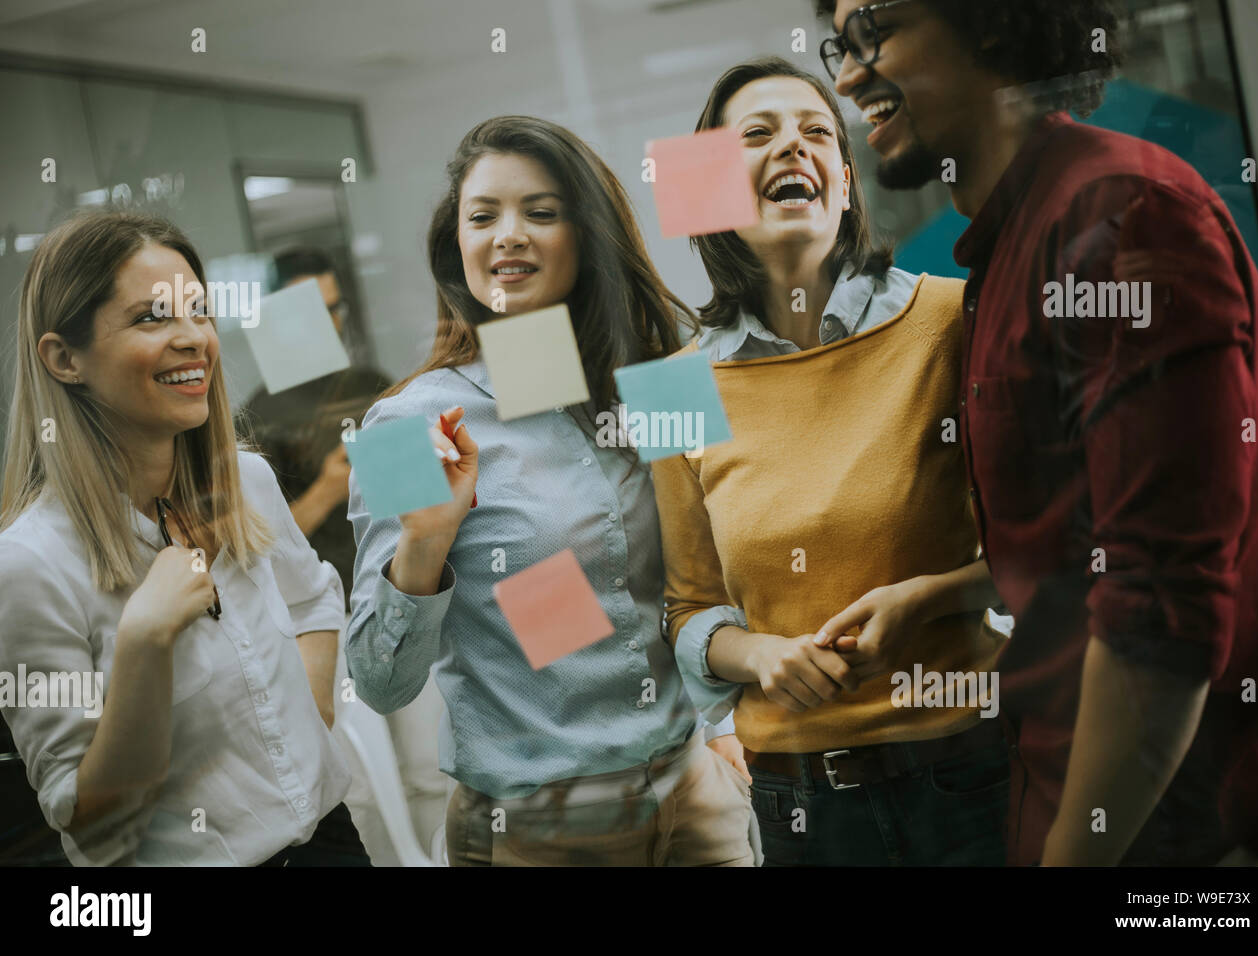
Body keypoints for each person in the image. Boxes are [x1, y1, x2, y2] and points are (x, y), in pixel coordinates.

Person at [818, 0, 1258, 863]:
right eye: (840, 47)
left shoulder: (1117, 215)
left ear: (991, 22)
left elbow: (1159, 618)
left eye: (875, 34)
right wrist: (938, 595)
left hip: (1178, 837)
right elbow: (1082, 543)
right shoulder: (1006, 244)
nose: (851, 75)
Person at [345, 116, 754, 867]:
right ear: (456, 246)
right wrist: (426, 540)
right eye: (483, 216)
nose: (508, 235)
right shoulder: (403, 425)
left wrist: (720, 725)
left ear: (588, 235)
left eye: (540, 211)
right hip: (537, 830)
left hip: (695, 793)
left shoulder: (663, 382)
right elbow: (380, 682)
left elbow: (715, 579)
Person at [652, 56, 1009, 867]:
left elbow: (1043, 552)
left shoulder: (955, 318)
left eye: (817, 132)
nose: (792, 147)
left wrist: (929, 599)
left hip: (971, 771)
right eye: (757, 135)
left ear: (844, 187)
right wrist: (760, 656)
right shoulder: (668, 388)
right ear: (708, 188)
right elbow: (686, 610)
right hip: (800, 805)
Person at [0, 211, 367, 865]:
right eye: (153, 318)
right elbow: (88, 820)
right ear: (64, 358)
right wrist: (144, 642)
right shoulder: (30, 566)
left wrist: (308, 731)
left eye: (199, 312)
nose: (194, 338)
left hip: (330, 843)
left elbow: (313, 601)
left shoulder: (247, 482)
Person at [242, 247, 391, 604]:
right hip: (322, 607)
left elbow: (417, 498)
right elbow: (254, 552)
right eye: (311, 312)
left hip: (394, 586)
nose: (329, 324)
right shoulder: (258, 417)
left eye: (333, 309)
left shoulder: (371, 386)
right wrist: (327, 491)